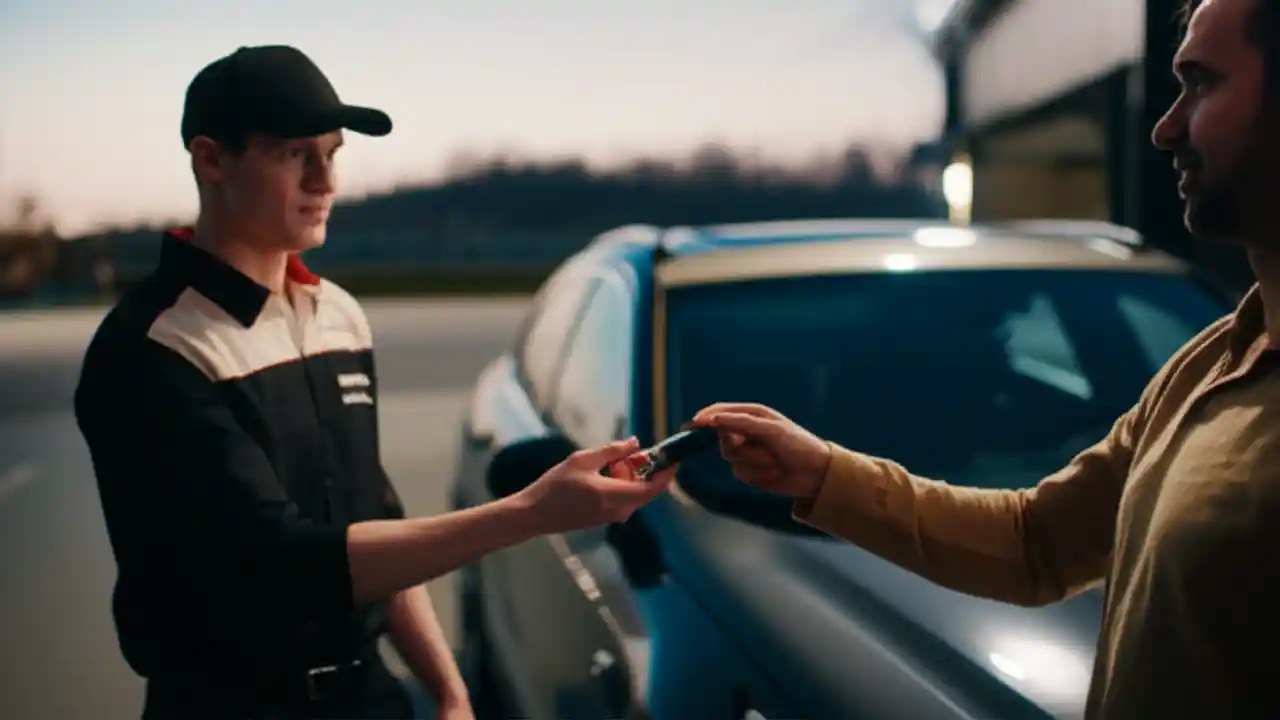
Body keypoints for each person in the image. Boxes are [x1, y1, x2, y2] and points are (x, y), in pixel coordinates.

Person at [694, 0, 1280, 717]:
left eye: (1203, 83)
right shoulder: (1213, 362)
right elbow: (1037, 541)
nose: (1166, 127)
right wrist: (821, 472)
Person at [73, 45, 675, 720]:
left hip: (371, 698)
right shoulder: (156, 348)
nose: (324, 180)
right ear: (211, 160)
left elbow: (374, 526)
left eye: (332, 153)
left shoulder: (339, 316)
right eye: (294, 154)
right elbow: (281, 567)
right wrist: (535, 512)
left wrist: (448, 692)